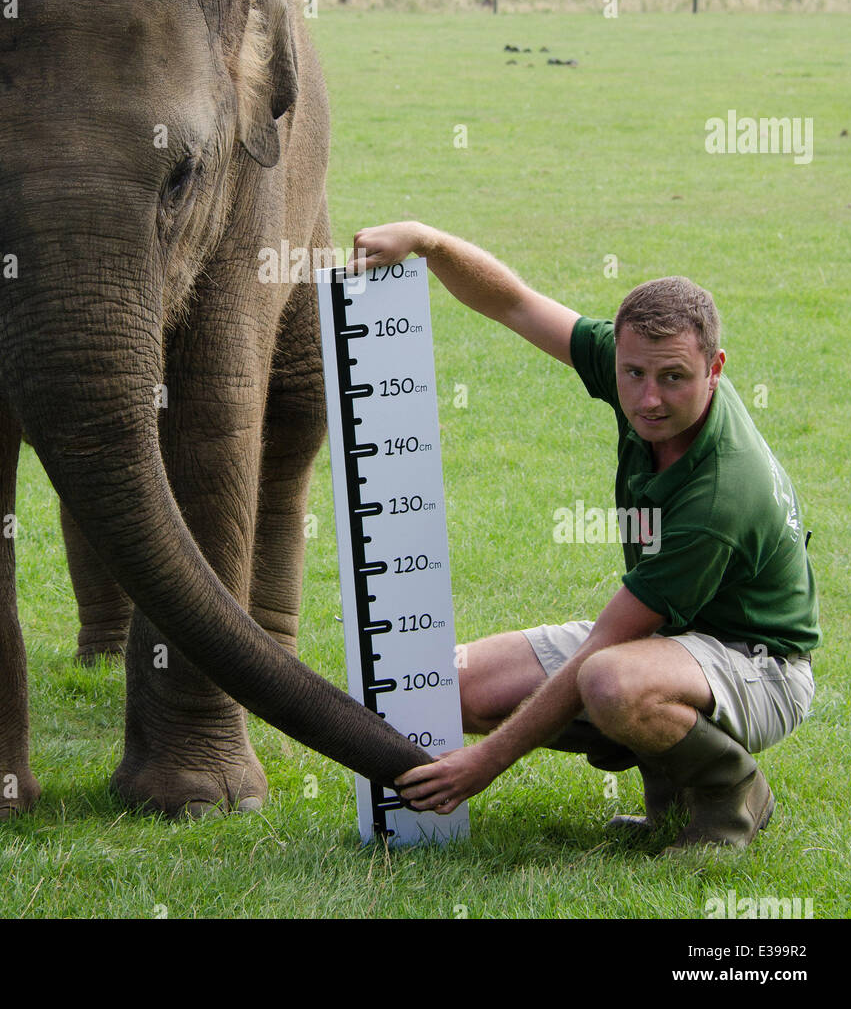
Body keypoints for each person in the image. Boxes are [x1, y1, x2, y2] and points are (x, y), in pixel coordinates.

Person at [348, 222, 819, 851]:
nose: (648, 400)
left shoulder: (722, 495)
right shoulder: (640, 366)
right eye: (633, 374)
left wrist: (483, 763)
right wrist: (429, 242)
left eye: (673, 378)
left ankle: (731, 792)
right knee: (452, 684)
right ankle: (659, 760)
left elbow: (605, 645)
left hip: (761, 664)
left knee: (609, 682)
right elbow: (513, 302)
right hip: (673, 638)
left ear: (715, 368)